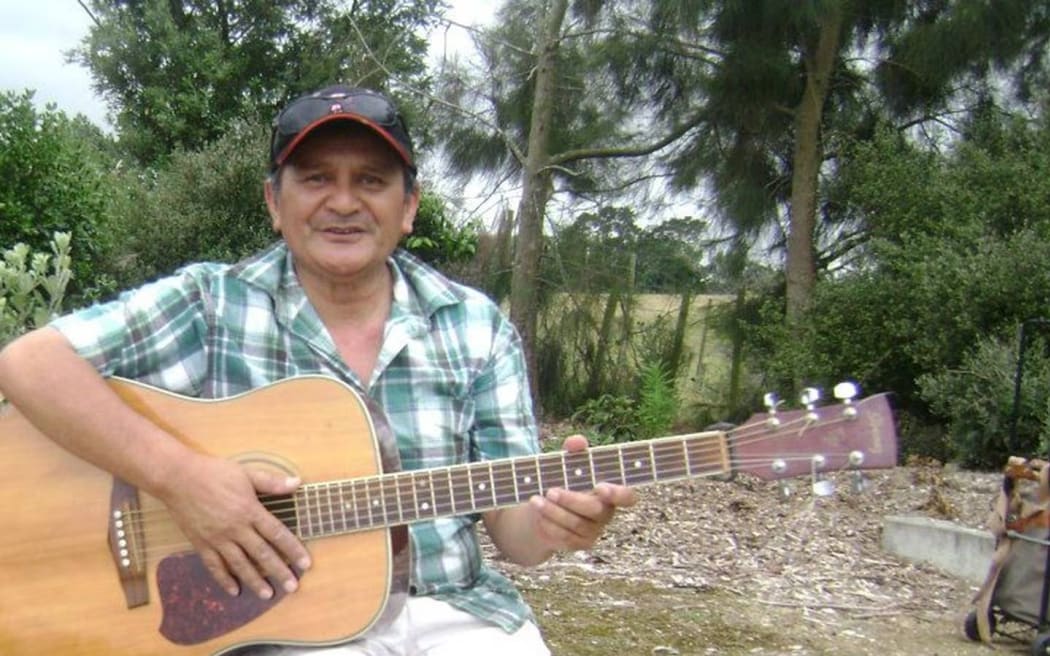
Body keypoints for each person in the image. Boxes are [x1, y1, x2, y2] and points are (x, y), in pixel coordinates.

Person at [0, 84, 637, 655]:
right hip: (284, 621)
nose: (343, 201)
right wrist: (181, 480)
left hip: (457, 612)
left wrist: (557, 523)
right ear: (275, 202)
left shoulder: (477, 326)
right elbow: (29, 366)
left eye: (370, 180)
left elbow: (518, 536)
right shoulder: (210, 303)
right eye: (315, 178)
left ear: (408, 205)